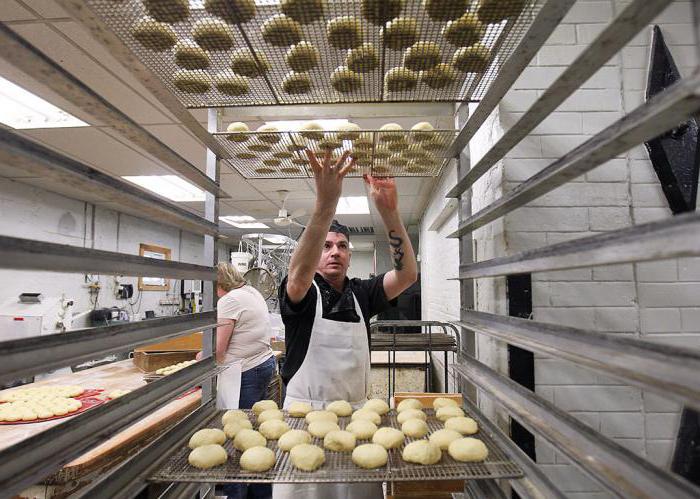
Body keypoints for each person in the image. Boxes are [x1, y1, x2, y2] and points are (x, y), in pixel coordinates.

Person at [273, 149, 418, 499]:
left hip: (357, 420)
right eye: (325, 246)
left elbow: (408, 274)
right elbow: (297, 275)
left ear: (350, 254)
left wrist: (390, 212)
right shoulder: (303, 294)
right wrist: (325, 206)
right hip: (302, 422)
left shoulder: (362, 294)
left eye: (341, 246)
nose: (334, 251)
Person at [197, 262, 275, 499]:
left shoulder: (228, 301)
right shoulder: (251, 292)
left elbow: (218, 352)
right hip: (264, 365)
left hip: (245, 374)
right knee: (255, 439)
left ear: (217, 284)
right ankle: (261, 495)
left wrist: (199, 358)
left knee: (236, 438)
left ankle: (236, 495)